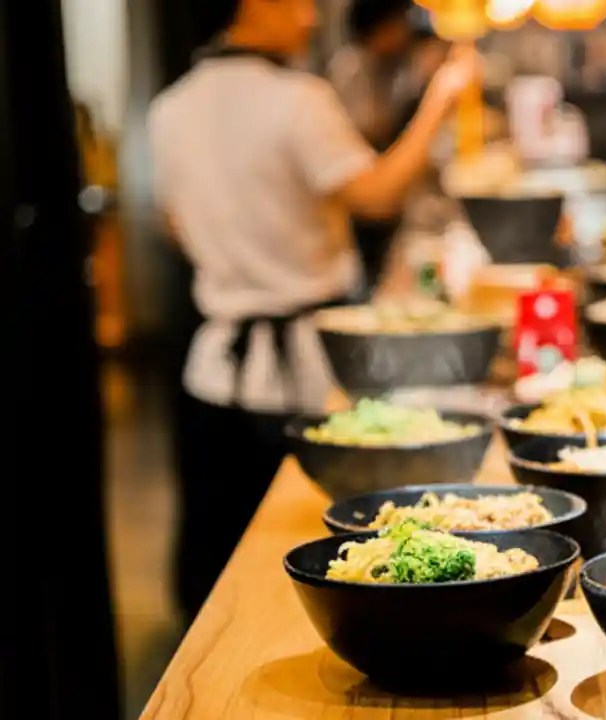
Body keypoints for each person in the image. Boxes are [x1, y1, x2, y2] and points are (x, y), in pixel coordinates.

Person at [149, 0, 476, 620]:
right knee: (306, 554)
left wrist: (242, 257)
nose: (307, 17)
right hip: (304, 369)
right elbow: (377, 196)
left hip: (214, 366)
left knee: (215, 551)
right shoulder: (299, 99)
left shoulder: (170, 107)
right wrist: (440, 97)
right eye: (295, 1)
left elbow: (174, 225)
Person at [328, 0, 423, 290]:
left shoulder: (385, 63)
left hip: (375, 175)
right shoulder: (351, 68)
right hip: (360, 184)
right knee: (371, 266)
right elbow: (368, 126)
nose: (403, 32)